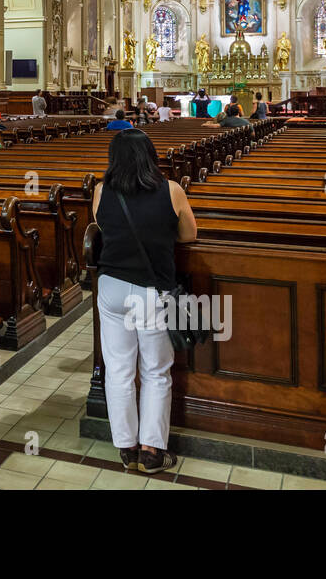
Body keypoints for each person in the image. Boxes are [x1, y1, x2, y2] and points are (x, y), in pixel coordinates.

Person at [91, 128, 198, 474]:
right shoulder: (172, 190)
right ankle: (152, 450)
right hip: (153, 292)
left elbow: (102, 226)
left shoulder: (101, 191)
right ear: (150, 156)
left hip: (111, 287)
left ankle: (126, 446)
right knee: (155, 371)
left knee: (119, 369)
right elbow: (189, 234)